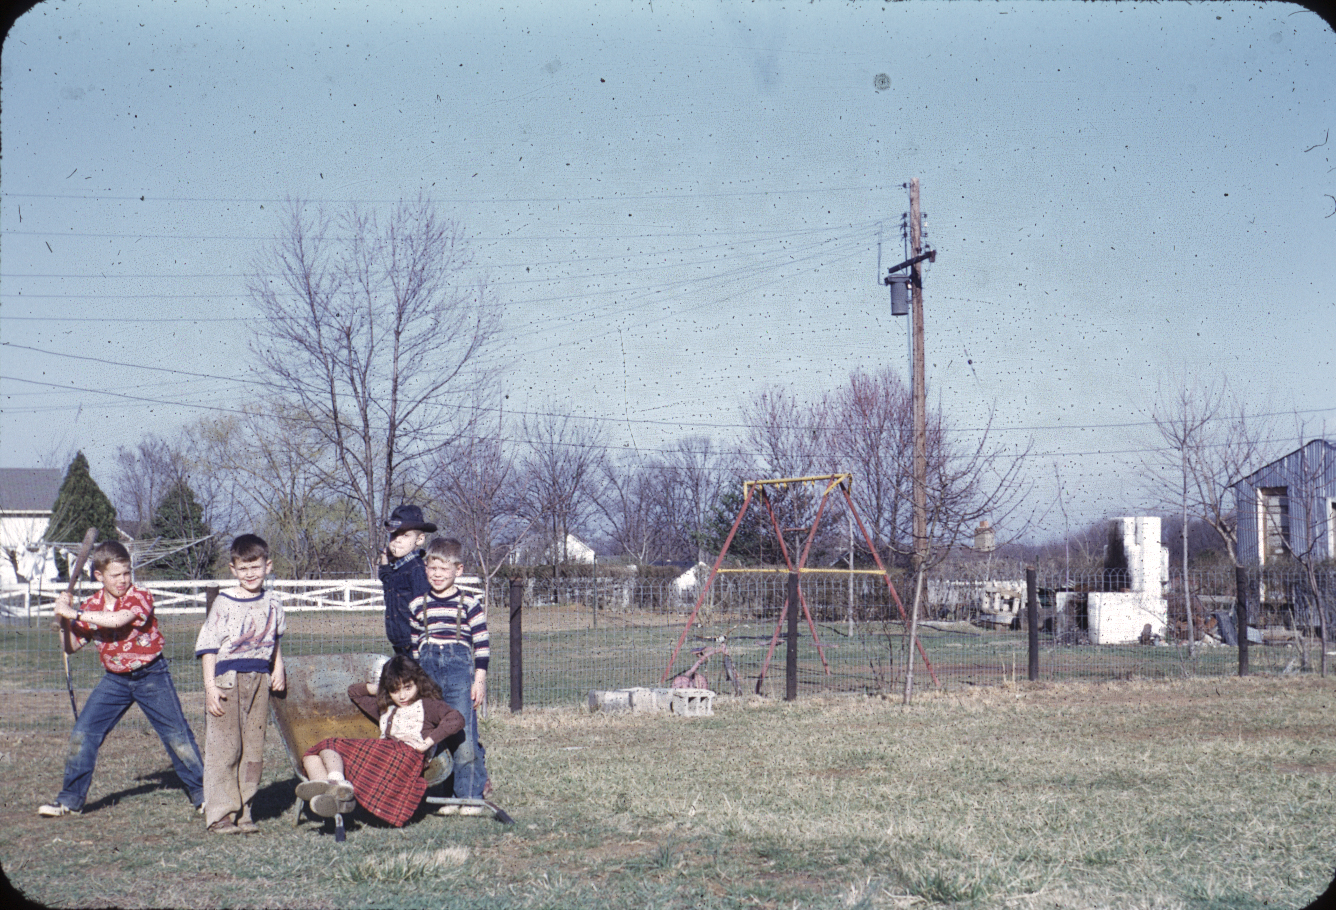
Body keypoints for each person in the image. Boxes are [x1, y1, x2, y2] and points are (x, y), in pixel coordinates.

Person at [39, 541, 205, 817]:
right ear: (99, 576)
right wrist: (64, 618)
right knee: (83, 733)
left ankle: (203, 795)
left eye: (126, 572)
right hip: (115, 680)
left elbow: (118, 619)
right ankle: (70, 800)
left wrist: (75, 613)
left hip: (151, 675)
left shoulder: (139, 595)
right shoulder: (91, 604)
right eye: (115, 575)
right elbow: (70, 646)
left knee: (176, 735)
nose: (123, 580)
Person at [299, 655, 463, 827]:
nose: (402, 696)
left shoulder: (428, 705)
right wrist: (384, 689)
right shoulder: (386, 708)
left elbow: (456, 719)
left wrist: (427, 743)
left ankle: (334, 791)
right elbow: (354, 691)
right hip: (383, 751)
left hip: (407, 755)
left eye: (407, 688)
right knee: (316, 753)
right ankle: (334, 787)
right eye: (395, 690)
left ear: (418, 683)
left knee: (331, 744)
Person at [194, 534, 286, 835]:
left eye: (256, 567)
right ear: (233, 569)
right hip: (228, 681)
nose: (250, 574)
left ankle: (246, 810)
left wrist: (278, 667)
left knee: (253, 750)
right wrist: (210, 686)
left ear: (267, 566)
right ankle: (220, 813)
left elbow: (275, 639)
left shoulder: (273, 600)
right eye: (243, 569)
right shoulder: (224, 602)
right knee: (225, 748)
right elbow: (208, 646)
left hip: (259, 679)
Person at [409, 537, 491, 800]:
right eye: (432, 568)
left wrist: (479, 680)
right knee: (436, 733)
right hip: (428, 674)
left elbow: (482, 644)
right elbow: (413, 650)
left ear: (459, 570)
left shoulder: (469, 603)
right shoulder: (416, 606)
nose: (437, 574)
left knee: (464, 735)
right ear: (425, 569)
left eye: (444, 569)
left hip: (459, 673)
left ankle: (468, 796)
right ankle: (443, 795)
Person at [378, 504, 437, 657]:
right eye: (394, 535)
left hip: (416, 646)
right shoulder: (398, 569)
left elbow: (425, 609)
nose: (397, 541)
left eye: (405, 536)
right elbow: (387, 583)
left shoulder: (416, 569)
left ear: (419, 539)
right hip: (400, 645)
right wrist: (385, 561)